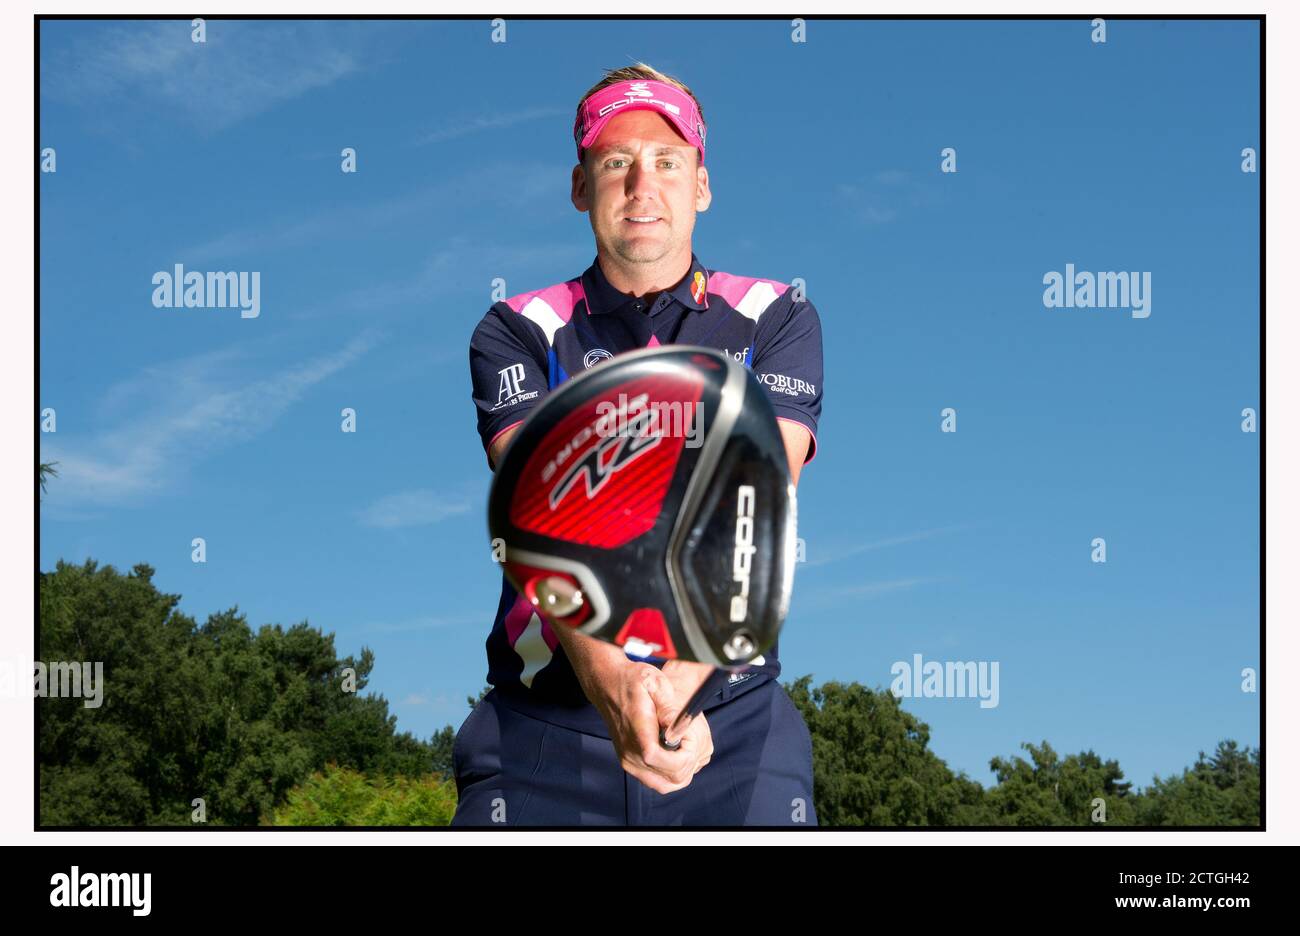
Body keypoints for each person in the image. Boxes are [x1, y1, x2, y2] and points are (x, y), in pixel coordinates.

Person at [455, 63, 824, 826]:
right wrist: (611, 680)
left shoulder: (774, 316)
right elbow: (542, 515)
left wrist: (675, 682)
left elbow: (764, 497)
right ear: (580, 187)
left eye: (666, 162)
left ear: (702, 186)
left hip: (733, 722)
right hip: (543, 731)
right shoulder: (516, 327)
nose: (641, 185)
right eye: (615, 162)